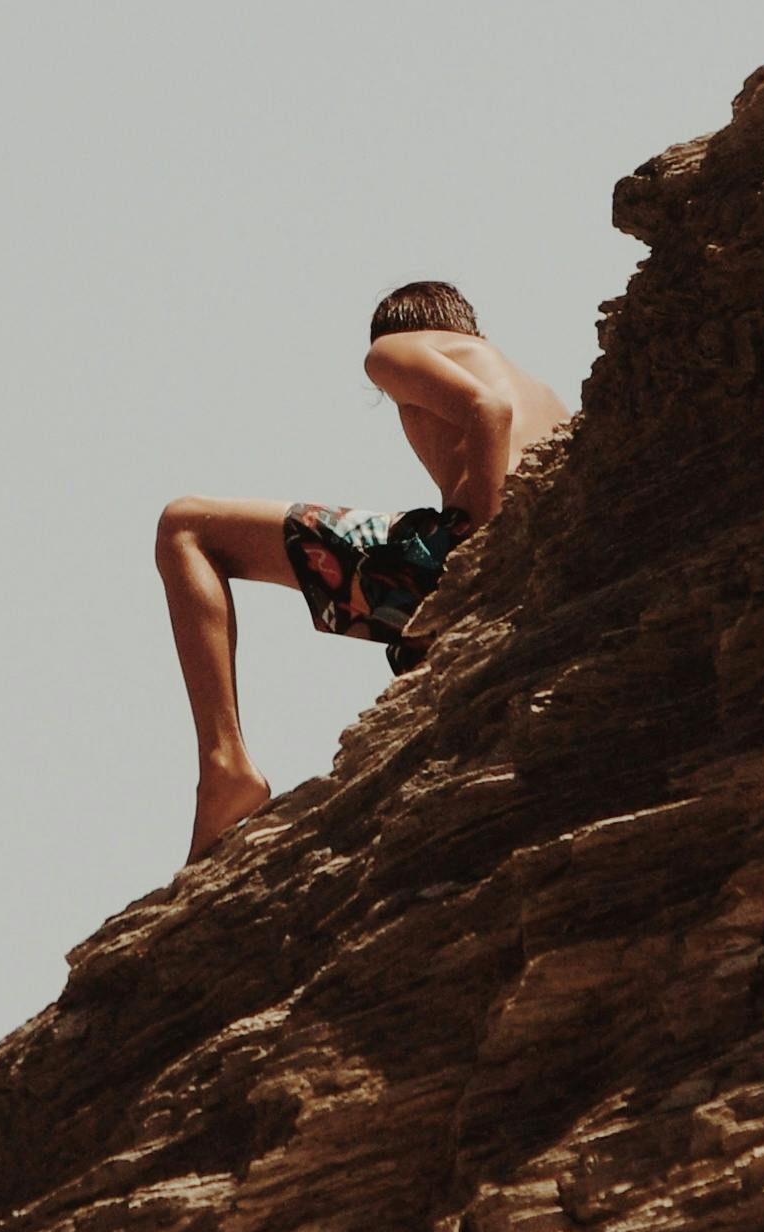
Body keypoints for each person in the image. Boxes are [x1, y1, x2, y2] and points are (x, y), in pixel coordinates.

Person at [155, 281, 571, 861]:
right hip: (545, 570)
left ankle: (226, 766)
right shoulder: (545, 392)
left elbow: (487, 409)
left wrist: (481, 554)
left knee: (185, 528)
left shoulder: (393, 348)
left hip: (466, 553)